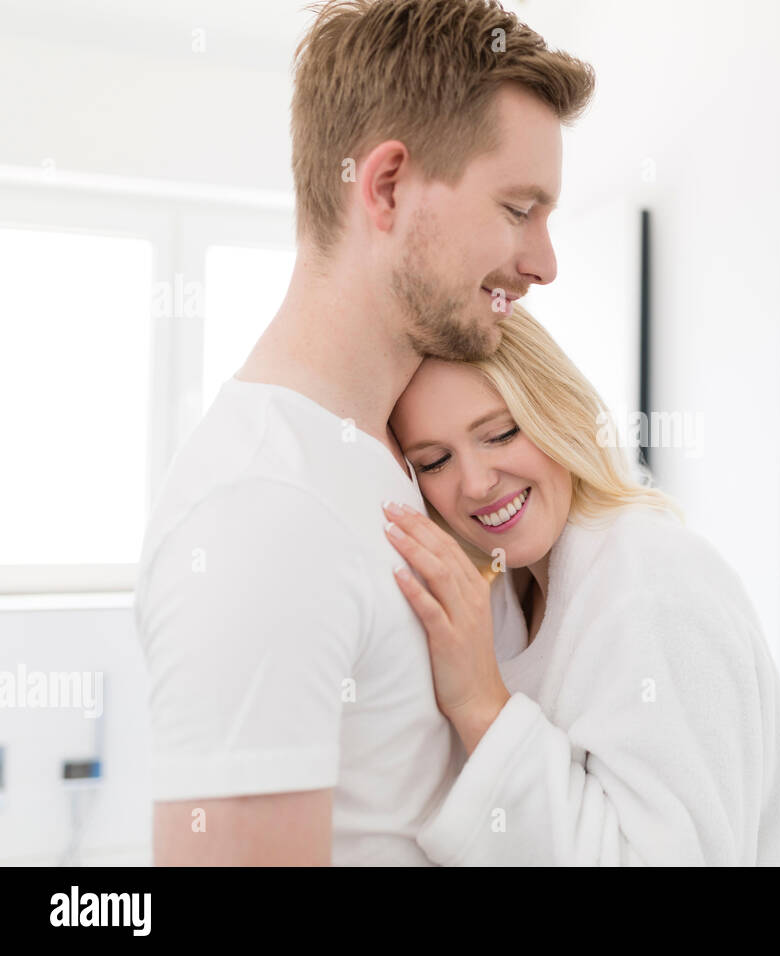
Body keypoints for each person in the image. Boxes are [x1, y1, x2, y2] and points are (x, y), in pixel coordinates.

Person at [134, 0, 595, 865]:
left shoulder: (386, 456)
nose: (544, 264)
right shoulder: (262, 512)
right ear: (385, 186)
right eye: (518, 208)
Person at [382, 305, 780, 865]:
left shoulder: (654, 581)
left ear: (557, 411)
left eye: (499, 434)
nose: (476, 483)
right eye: (436, 461)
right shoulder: (507, 596)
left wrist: (480, 703)